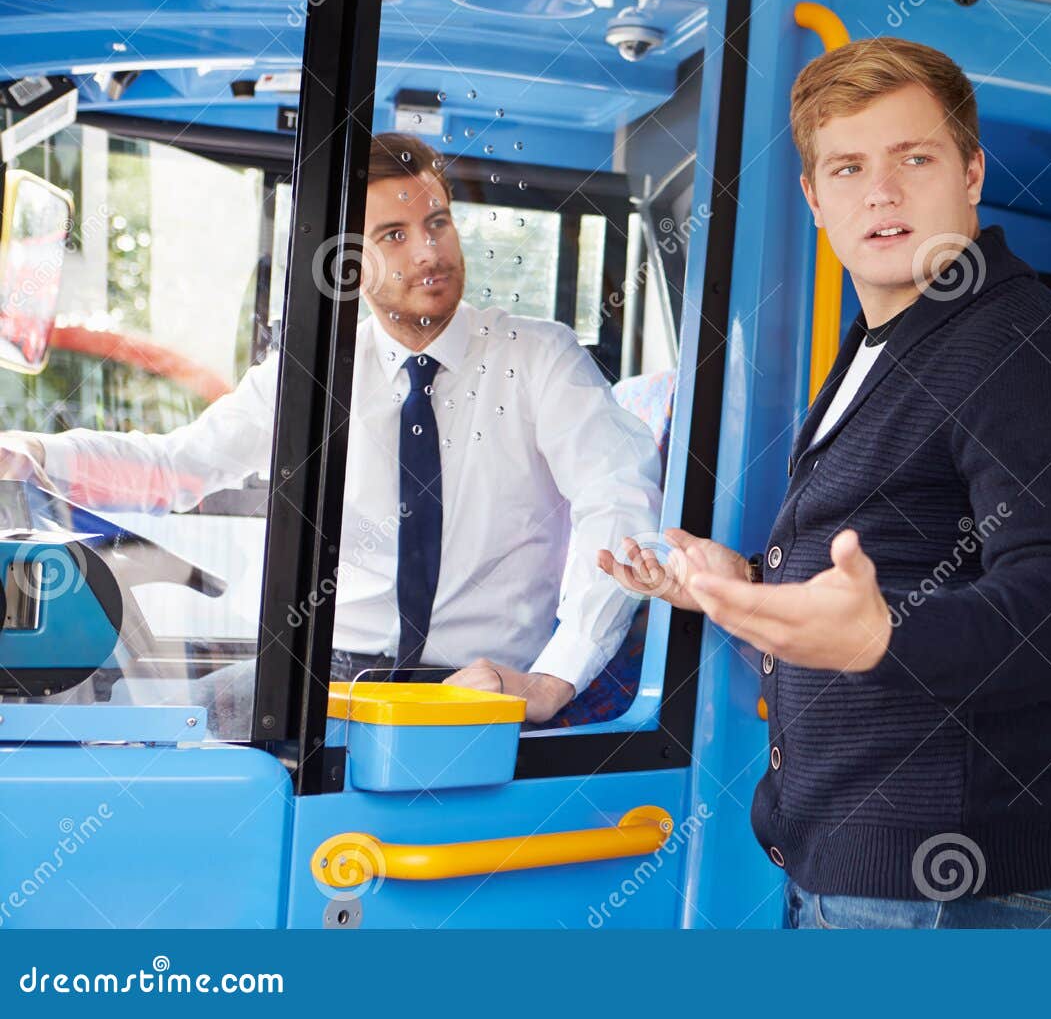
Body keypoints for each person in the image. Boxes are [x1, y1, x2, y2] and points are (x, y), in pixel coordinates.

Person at [600, 37, 1051, 928]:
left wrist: (881, 638)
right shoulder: (884, 343)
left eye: (913, 159)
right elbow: (903, 559)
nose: (880, 192)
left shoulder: (1020, 347)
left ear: (971, 172)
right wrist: (749, 584)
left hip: (953, 890)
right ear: (814, 198)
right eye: (847, 168)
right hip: (860, 872)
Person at [0, 133, 661, 731]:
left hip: (472, 686)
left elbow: (618, 503)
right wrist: (36, 453)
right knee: (137, 737)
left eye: (437, 223)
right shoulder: (316, 371)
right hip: (329, 674)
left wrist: (554, 677)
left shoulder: (540, 358)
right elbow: (181, 466)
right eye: (394, 235)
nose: (429, 251)